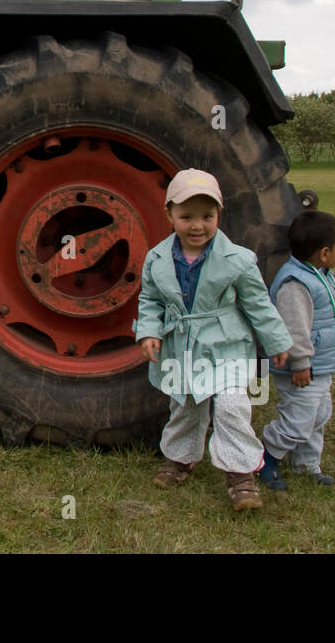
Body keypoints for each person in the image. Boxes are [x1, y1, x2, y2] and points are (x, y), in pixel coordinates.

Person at [133, 169, 294, 511]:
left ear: (219, 215)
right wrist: (148, 331)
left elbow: (258, 304)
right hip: (182, 345)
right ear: (169, 215)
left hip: (226, 346)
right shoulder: (157, 259)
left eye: (207, 216)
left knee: (233, 406)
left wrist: (277, 340)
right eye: (186, 216)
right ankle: (181, 459)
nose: (197, 226)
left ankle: (241, 475)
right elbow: (150, 300)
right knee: (185, 405)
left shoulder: (238, 260)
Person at [260, 209, 335, 490]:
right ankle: (267, 457)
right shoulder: (296, 284)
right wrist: (301, 362)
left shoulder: (320, 274)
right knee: (300, 419)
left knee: (318, 415)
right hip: (302, 368)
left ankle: (306, 464)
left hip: (320, 366)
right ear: (325, 252)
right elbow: (294, 328)